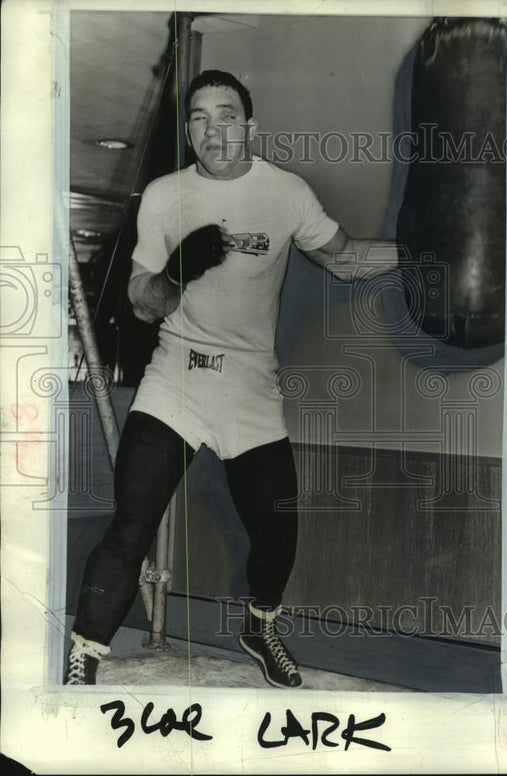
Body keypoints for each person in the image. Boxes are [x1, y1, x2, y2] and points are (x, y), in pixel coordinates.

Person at [65, 70, 398, 688]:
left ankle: (260, 624)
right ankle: (85, 653)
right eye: (198, 117)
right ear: (188, 130)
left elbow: (346, 259)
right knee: (131, 523)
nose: (212, 130)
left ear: (250, 126)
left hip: (250, 386)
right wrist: (177, 272)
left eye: (226, 116)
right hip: (176, 380)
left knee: (278, 526)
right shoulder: (166, 195)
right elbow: (143, 303)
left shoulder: (287, 192)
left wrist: (428, 248)